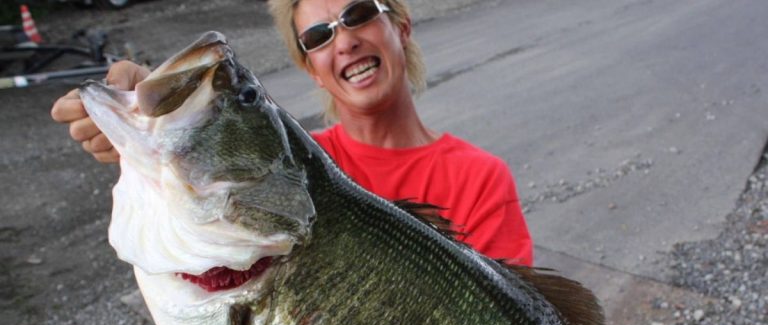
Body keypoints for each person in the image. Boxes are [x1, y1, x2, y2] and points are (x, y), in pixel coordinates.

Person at [50, 0, 534, 266]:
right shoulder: (286, 168)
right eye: (319, 36)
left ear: (401, 27)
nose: (344, 40)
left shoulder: (481, 177)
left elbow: (522, 323)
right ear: (312, 70)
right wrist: (141, 125)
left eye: (360, 13)